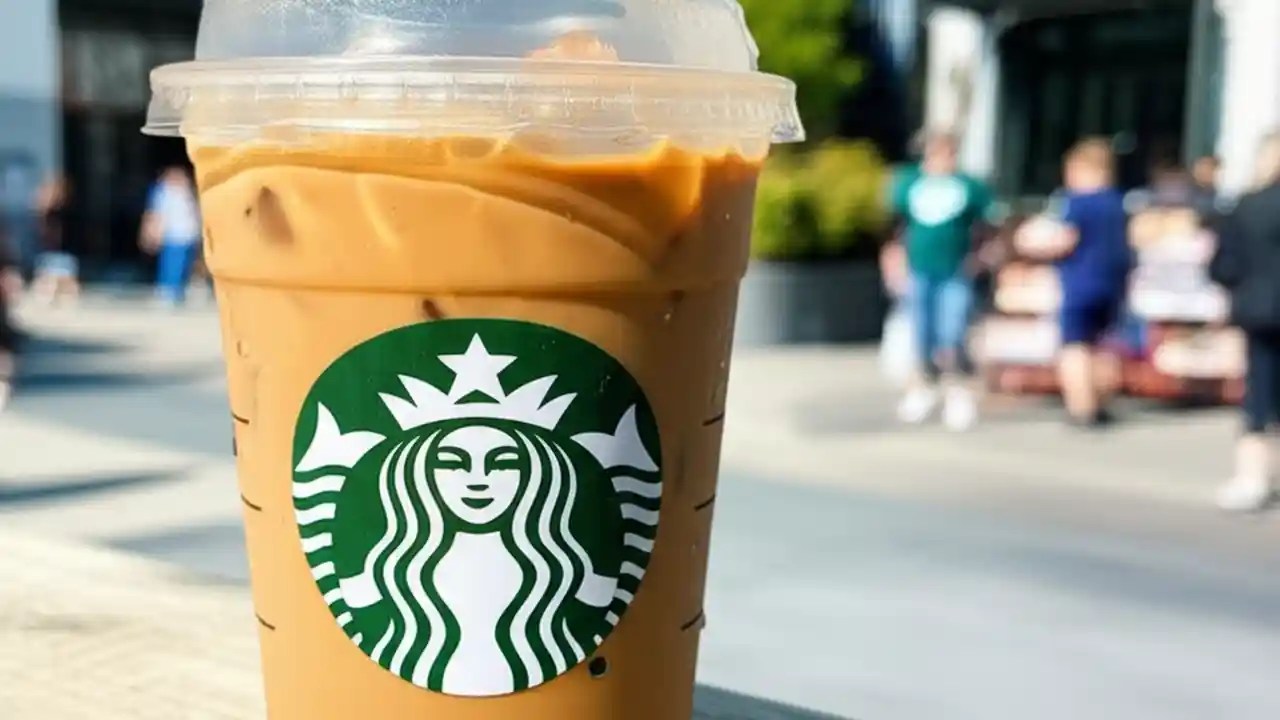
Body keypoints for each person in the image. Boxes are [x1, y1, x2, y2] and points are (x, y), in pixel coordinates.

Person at [1021, 139, 1132, 427]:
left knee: (1075, 346)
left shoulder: (1077, 203)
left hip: (1080, 282)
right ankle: (1103, 401)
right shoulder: (1118, 203)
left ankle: (1082, 408)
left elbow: (1064, 240)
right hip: (1113, 284)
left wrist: (1031, 247)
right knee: (1105, 345)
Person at [889, 130, 993, 430]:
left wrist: (981, 258)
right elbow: (896, 227)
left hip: (955, 269)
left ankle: (957, 391)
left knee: (953, 330)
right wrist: (894, 260)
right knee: (922, 331)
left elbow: (988, 225)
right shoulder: (910, 183)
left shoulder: (969, 187)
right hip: (919, 268)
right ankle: (923, 387)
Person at [1208, 132, 1280, 512]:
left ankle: (1253, 478)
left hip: (1259, 310)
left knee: (1259, 393)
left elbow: (1224, 265)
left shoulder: (1246, 206)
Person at [140, 166, 202, 306]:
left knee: (186, 264)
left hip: (189, 234)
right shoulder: (163, 192)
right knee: (171, 264)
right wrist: (152, 232)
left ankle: (179, 289)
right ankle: (167, 290)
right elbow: (155, 214)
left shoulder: (188, 192)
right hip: (172, 234)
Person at [31, 176, 79, 306]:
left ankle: (61, 296)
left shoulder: (63, 211)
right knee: (49, 273)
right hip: (52, 248)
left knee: (64, 274)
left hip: (61, 248)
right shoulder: (48, 212)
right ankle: (49, 296)